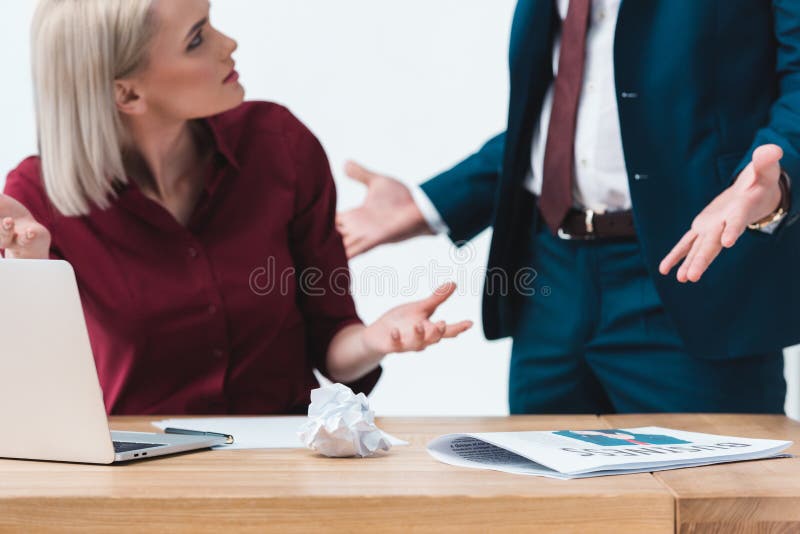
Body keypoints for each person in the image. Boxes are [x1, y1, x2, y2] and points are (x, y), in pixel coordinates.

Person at [0, 0, 472, 415]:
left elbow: (332, 344)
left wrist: (375, 339)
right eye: (197, 38)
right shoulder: (37, 202)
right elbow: (39, 399)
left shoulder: (280, 147)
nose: (229, 43)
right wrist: (27, 274)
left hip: (284, 469)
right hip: (134, 483)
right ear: (127, 93)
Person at [337, 0, 800, 414]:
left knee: (710, 499)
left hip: (692, 271)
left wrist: (780, 175)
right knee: (545, 499)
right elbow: (558, 117)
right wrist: (427, 203)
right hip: (549, 280)